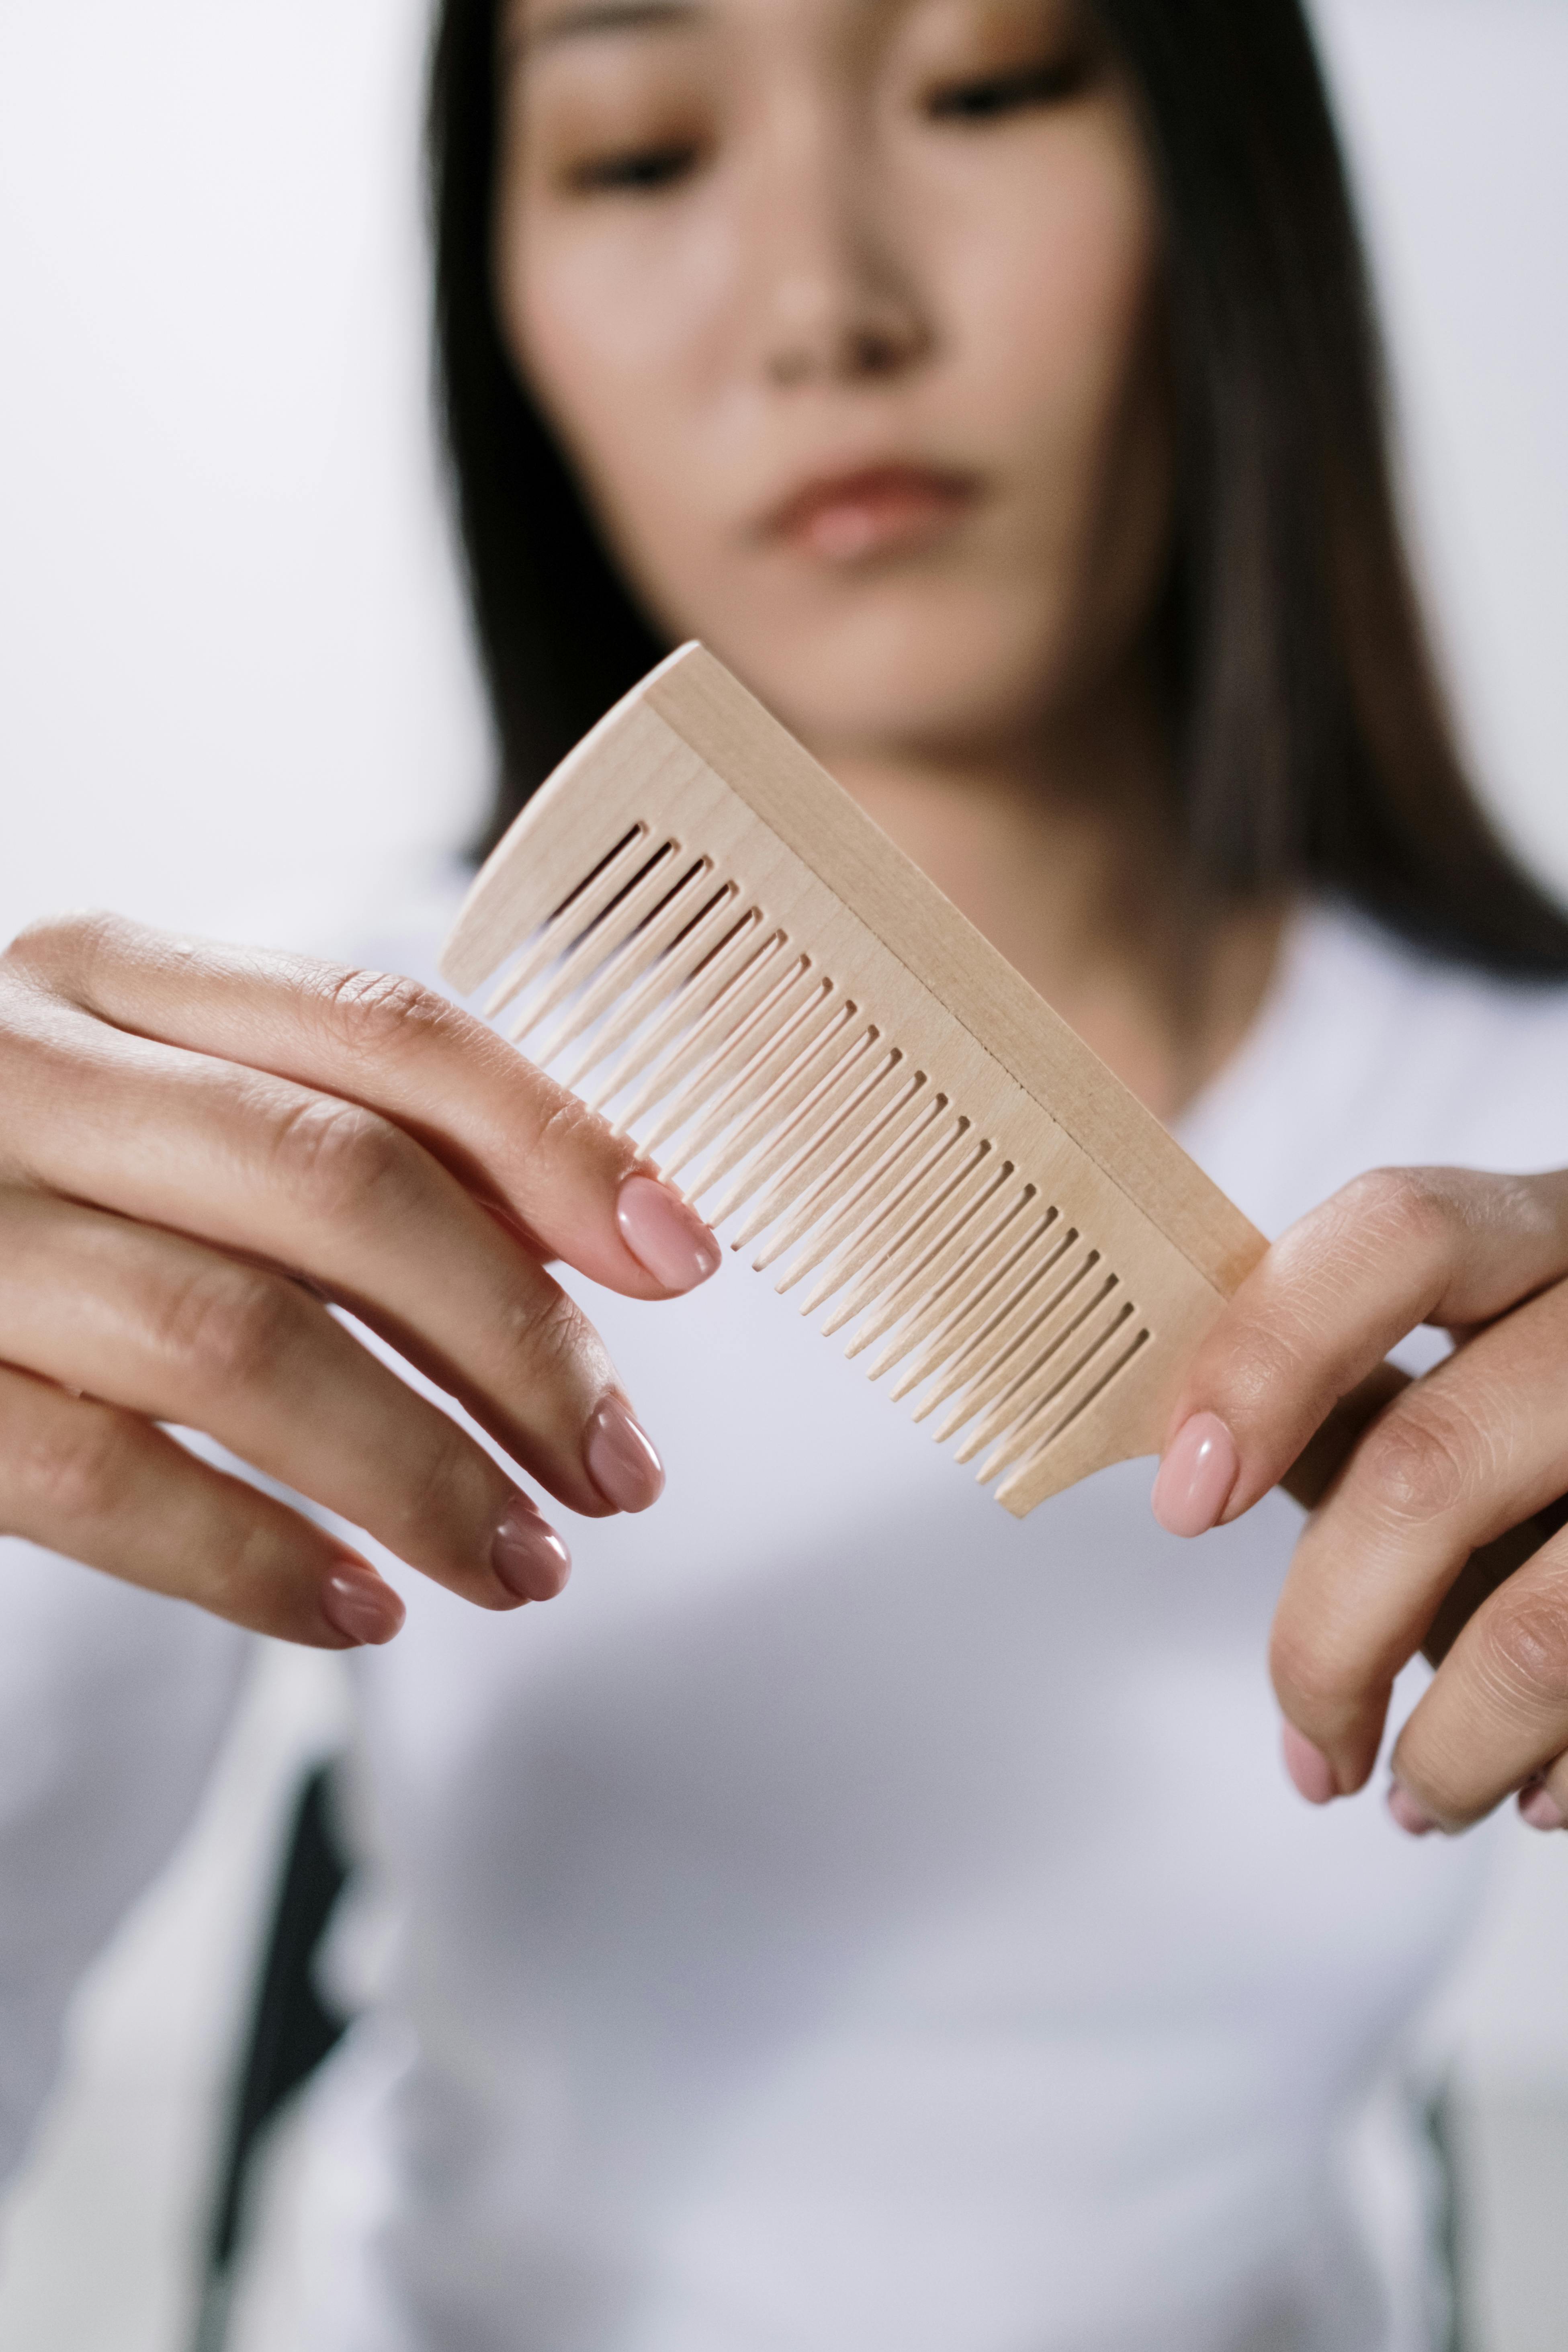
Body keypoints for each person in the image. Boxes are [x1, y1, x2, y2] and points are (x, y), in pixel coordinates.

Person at [2, 0, 1568, 2342]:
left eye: (988, 83)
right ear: (500, 290)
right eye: (640, 156)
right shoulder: (274, 1135)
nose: (827, 303)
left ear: (1228, 188)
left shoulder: (1533, 1145)